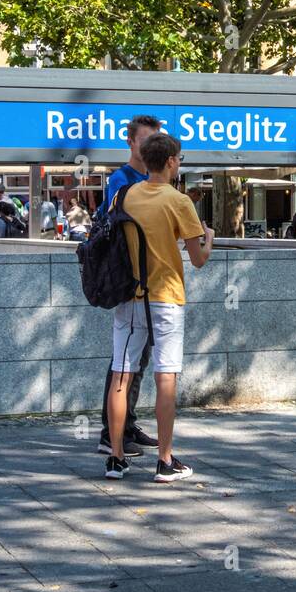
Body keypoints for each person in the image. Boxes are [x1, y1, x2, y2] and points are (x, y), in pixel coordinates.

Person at [104, 132, 214, 481]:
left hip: (129, 296)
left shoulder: (126, 195)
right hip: (165, 297)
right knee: (165, 376)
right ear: (169, 161)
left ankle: (116, 457)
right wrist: (207, 239)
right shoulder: (179, 201)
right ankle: (165, 460)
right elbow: (198, 260)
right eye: (179, 158)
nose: (179, 164)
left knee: (122, 373)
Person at [96, 114, 163, 459]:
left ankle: (127, 423)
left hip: (152, 281)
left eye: (157, 140)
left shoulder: (154, 179)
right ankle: (112, 433)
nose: (153, 146)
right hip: (132, 280)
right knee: (125, 360)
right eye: (147, 140)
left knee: (138, 357)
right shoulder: (122, 180)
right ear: (131, 142)